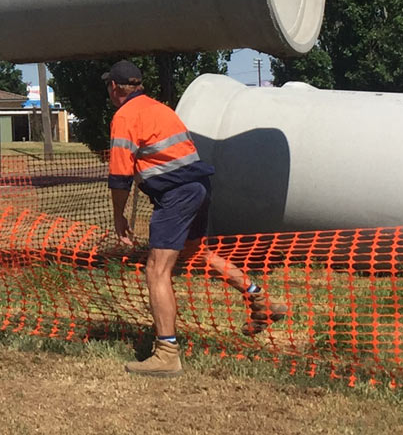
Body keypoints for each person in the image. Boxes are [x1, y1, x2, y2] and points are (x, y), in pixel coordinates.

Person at [104, 60, 286, 377]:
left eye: (109, 85)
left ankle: (166, 353)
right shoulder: (160, 109)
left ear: (115, 87)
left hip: (176, 195)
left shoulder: (125, 116)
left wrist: (119, 217)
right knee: (196, 254)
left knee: (156, 270)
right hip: (198, 187)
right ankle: (261, 300)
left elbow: (119, 176)